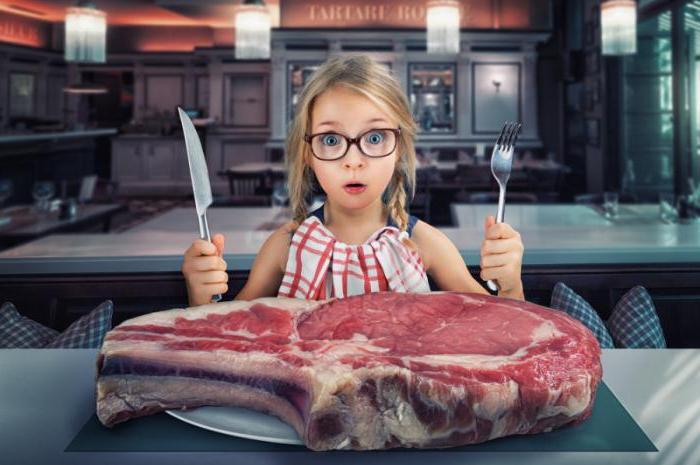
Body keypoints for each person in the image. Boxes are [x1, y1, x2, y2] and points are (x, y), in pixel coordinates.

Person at [182, 55, 525, 306]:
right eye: (331, 140)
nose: (353, 160)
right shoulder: (282, 248)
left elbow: (504, 324)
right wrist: (201, 294)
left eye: (375, 138)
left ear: (399, 149)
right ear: (308, 153)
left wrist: (510, 285)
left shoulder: (427, 244)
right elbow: (228, 335)